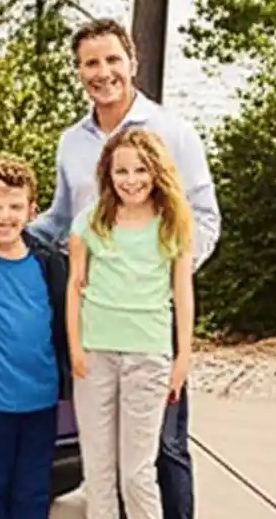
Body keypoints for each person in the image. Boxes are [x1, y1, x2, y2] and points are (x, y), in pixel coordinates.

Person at [29, 18, 219, 519]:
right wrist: (13, 231)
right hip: (98, 321)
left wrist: (160, 268)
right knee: (105, 462)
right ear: (79, 71)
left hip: (154, 316)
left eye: (113, 59)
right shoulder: (72, 142)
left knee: (165, 449)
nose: (103, 71)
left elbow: (204, 217)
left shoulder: (172, 132)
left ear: (132, 63)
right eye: (91, 63)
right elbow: (63, 218)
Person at [66, 127, 196, 519]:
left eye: (141, 170)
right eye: (121, 171)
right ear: (108, 174)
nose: (131, 180)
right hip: (95, 354)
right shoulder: (90, 222)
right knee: (98, 470)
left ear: (157, 172)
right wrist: (75, 347)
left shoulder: (172, 224)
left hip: (149, 355)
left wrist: (182, 357)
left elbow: (183, 294)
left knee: (137, 472)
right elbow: (75, 286)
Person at [0, 157, 70, 519]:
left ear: (32, 210)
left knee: (32, 492)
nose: (4, 216)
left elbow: (63, 324)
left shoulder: (49, 264)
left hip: (40, 399)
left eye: (15, 207)